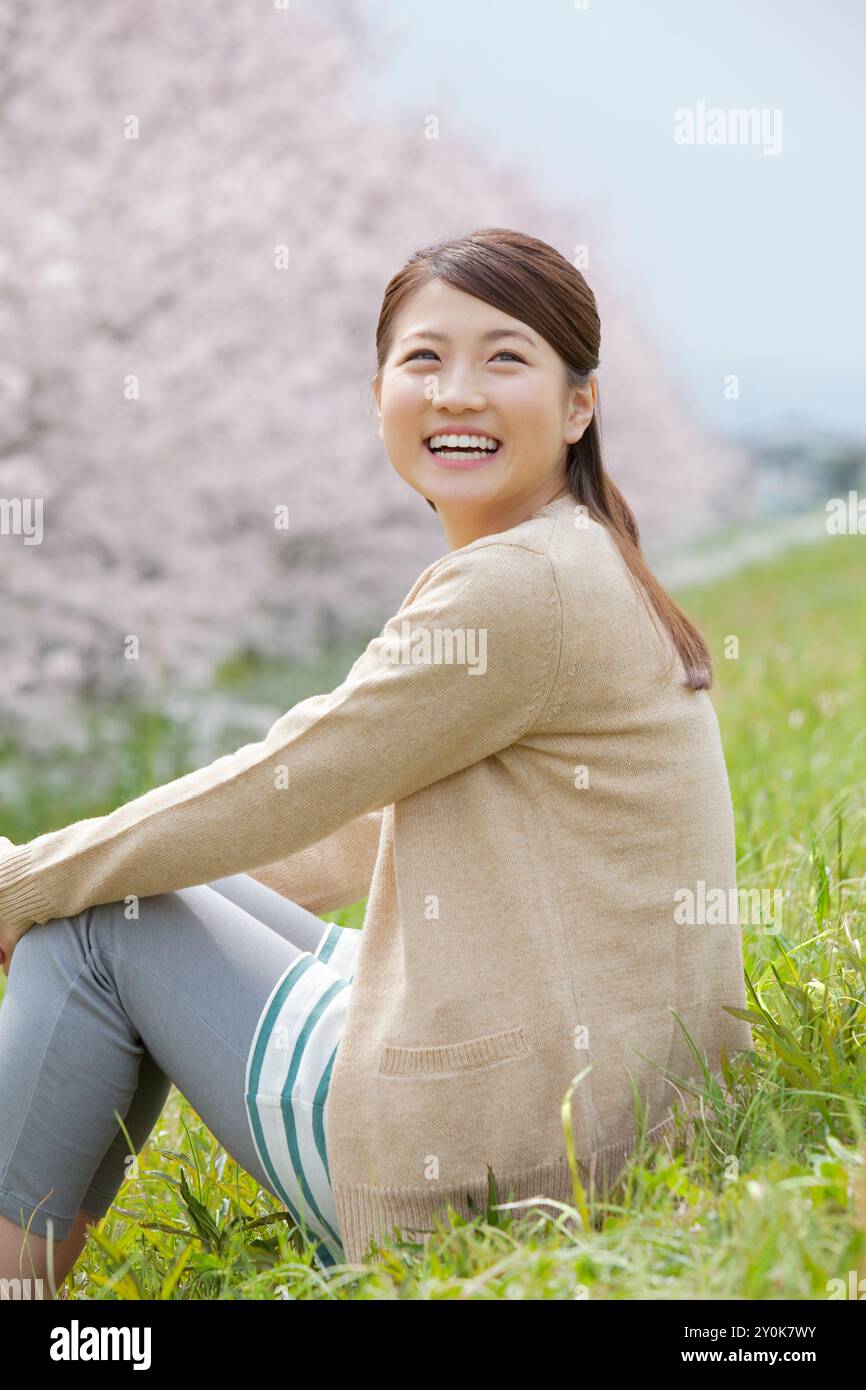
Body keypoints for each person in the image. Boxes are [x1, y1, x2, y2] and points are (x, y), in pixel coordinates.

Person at [0, 227, 753, 1289]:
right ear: (377, 392)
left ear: (578, 403)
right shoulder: (565, 555)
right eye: (422, 359)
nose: (456, 393)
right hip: (599, 1104)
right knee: (127, 898)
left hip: (511, 1154)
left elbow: (285, 781)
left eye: (503, 359)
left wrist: (25, 885)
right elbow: (358, 824)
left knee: (92, 933)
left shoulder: (514, 589)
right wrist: (128, 890)